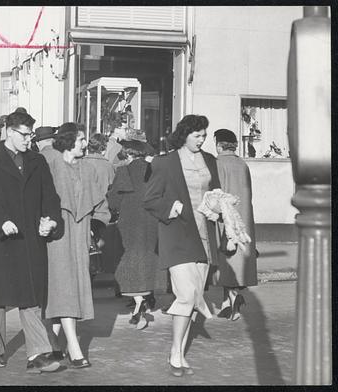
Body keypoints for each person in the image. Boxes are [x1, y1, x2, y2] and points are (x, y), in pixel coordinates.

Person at [0, 110, 62, 373]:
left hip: (30, 239)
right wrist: (1, 220)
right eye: (24, 134)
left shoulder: (37, 161)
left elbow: (50, 197)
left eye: (31, 134)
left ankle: (38, 353)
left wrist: (51, 220)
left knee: (31, 296)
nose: (29, 139)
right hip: (0, 240)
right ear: (9, 132)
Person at [143, 114, 221, 377]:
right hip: (177, 235)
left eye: (204, 135)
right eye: (197, 135)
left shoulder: (210, 160)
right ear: (184, 134)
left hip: (204, 236)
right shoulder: (164, 163)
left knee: (193, 298)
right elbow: (150, 199)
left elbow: (216, 193)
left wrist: (218, 209)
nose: (202, 140)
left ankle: (179, 352)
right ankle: (176, 353)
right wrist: (169, 207)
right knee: (186, 295)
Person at [42, 123, 109, 368]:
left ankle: (54, 343)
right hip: (57, 236)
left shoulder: (88, 168)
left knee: (70, 290)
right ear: (69, 140)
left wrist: (97, 226)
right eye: (81, 139)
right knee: (64, 289)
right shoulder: (49, 165)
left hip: (80, 236)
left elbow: (101, 205)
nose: (85, 144)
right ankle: (75, 347)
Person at [107, 139, 164, 329]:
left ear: (129, 154)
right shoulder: (154, 169)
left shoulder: (124, 171)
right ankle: (147, 298)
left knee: (130, 258)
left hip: (130, 221)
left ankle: (139, 301)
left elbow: (114, 202)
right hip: (152, 219)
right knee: (148, 255)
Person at [211, 128, 257, 321]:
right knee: (237, 261)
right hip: (244, 218)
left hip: (225, 219)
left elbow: (214, 194)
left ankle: (232, 298)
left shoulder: (216, 163)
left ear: (219, 144)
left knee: (225, 260)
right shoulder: (242, 163)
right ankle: (227, 304)